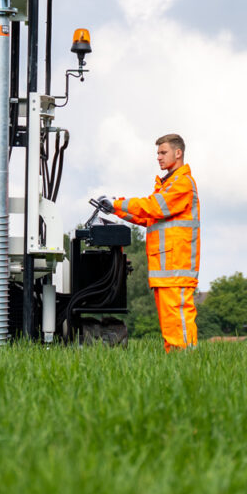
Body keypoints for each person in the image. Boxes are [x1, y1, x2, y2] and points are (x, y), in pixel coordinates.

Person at [96, 134, 201, 351]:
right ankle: (176, 359)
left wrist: (118, 203)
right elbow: (148, 217)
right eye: (158, 154)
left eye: (163, 153)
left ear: (178, 153)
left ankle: (187, 361)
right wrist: (115, 209)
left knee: (177, 317)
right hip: (166, 268)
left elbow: (154, 207)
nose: (159, 158)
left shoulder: (183, 184)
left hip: (176, 267)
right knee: (170, 321)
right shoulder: (168, 185)